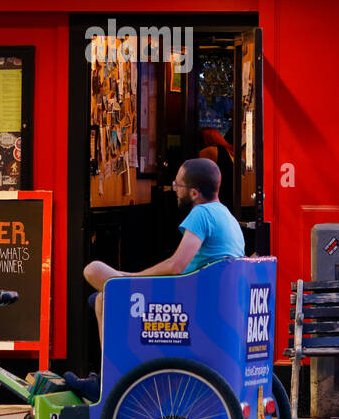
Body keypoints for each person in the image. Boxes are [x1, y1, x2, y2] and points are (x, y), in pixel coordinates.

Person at [67, 157, 244, 401]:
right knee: (101, 300)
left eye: (178, 186)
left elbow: (176, 266)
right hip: (203, 298)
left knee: (93, 270)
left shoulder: (202, 213)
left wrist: (131, 278)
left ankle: (110, 383)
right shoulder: (227, 216)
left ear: (194, 192)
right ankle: (110, 379)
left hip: (185, 304)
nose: (174, 190)